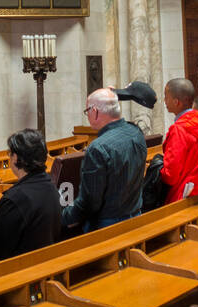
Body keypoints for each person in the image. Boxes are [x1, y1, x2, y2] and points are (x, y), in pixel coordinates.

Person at [61, 87, 146, 231]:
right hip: (136, 217)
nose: (87, 115)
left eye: (87, 111)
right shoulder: (136, 132)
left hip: (107, 226)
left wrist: (63, 218)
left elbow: (89, 203)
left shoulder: (98, 148)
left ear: (94, 112)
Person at [0, 129, 61, 265]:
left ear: (15, 158)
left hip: (18, 273)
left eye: (10, 153)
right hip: (43, 265)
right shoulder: (51, 187)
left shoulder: (14, 201)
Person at [159, 78, 198, 203]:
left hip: (180, 195)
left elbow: (171, 175)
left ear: (176, 101)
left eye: (166, 96)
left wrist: (158, 170)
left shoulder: (179, 129)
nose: (164, 101)